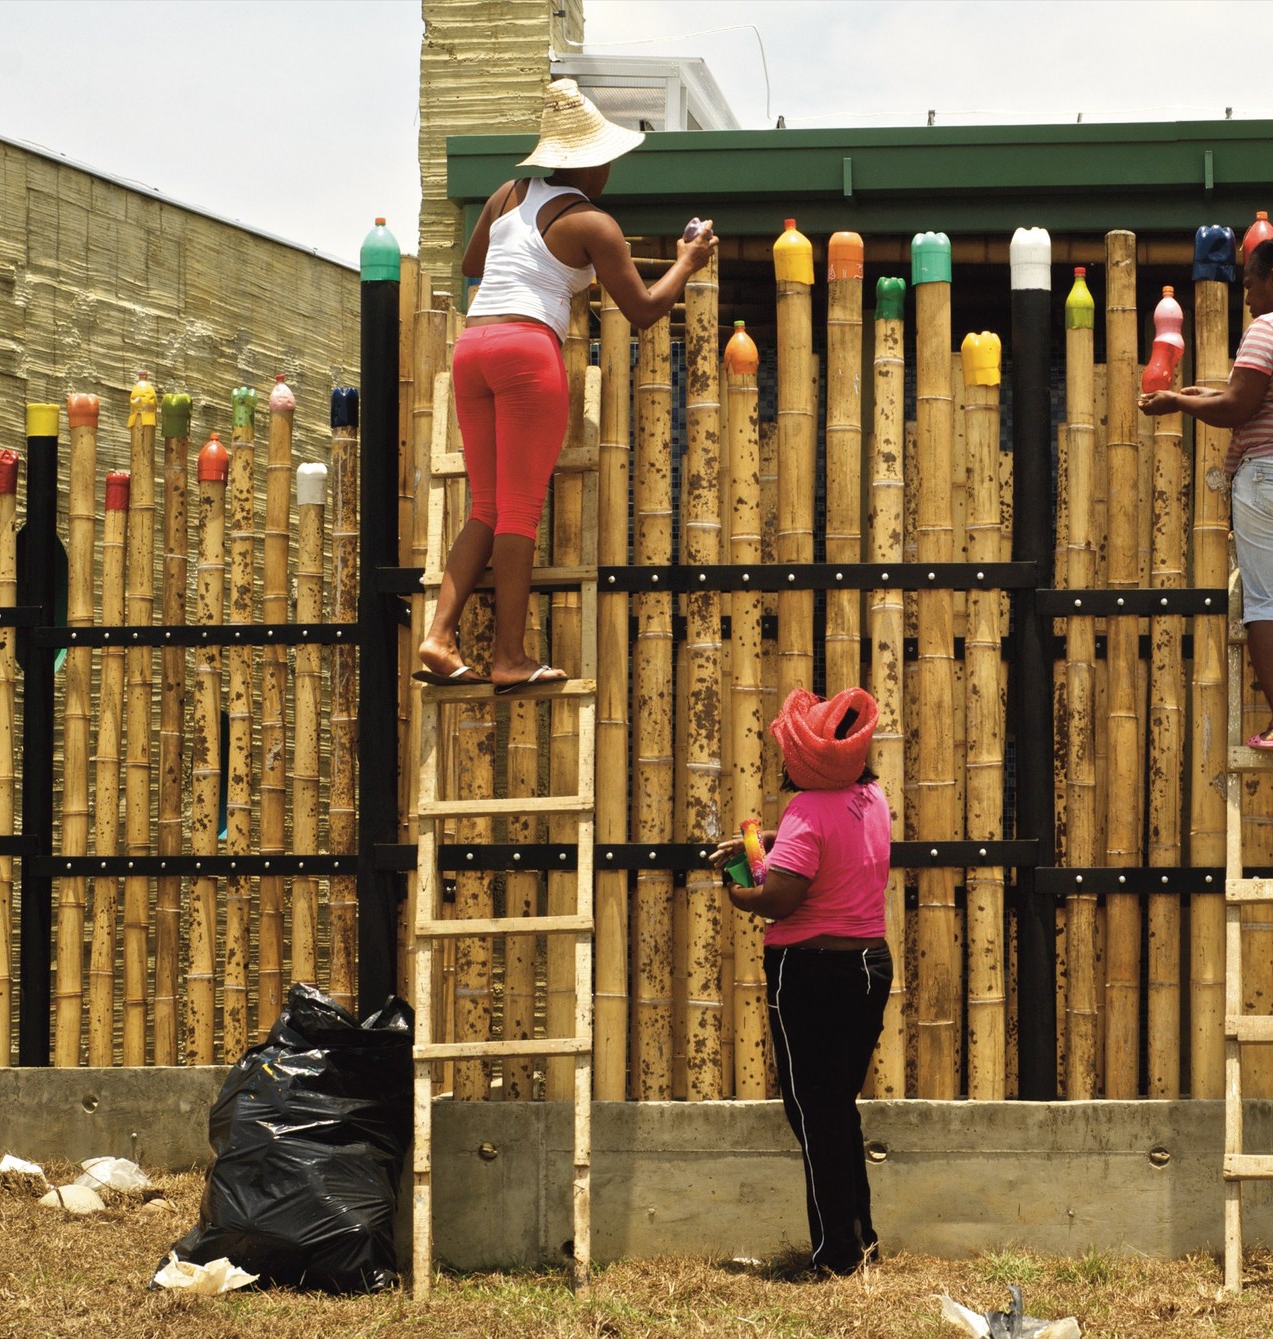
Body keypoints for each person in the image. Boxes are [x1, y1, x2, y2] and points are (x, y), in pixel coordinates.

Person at [416, 78, 716, 693]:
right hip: (526, 352)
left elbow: (475, 266)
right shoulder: (594, 223)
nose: (609, 169)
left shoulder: (507, 194)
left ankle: (439, 637)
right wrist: (687, 261)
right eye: (605, 158)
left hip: (473, 347)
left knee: (485, 507)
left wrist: (552, 269)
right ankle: (509, 656)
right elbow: (642, 309)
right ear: (589, 162)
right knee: (519, 511)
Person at [1139, 234, 1273, 750]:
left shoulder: (1267, 329)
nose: (1248, 297)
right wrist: (1208, 395)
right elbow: (1272, 397)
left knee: (1266, 603)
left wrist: (1178, 402)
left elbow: (1239, 408)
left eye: (1251, 285)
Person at [709, 687, 892, 1277]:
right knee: (838, 1107)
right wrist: (768, 845)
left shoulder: (807, 810)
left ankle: (836, 1256)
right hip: (868, 965)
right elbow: (830, 852)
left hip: (812, 972)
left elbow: (780, 900)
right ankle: (860, 1240)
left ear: (803, 760)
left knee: (813, 1112)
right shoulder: (871, 797)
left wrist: (736, 887)